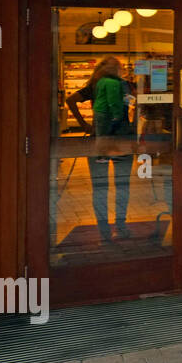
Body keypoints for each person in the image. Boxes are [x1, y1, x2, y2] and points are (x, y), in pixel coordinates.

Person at [66, 56, 134, 243]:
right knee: (122, 185)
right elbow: (132, 106)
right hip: (121, 139)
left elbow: (70, 100)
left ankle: (104, 229)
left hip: (100, 140)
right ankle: (120, 225)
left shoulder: (95, 86)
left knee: (100, 187)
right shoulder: (122, 84)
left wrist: (85, 125)